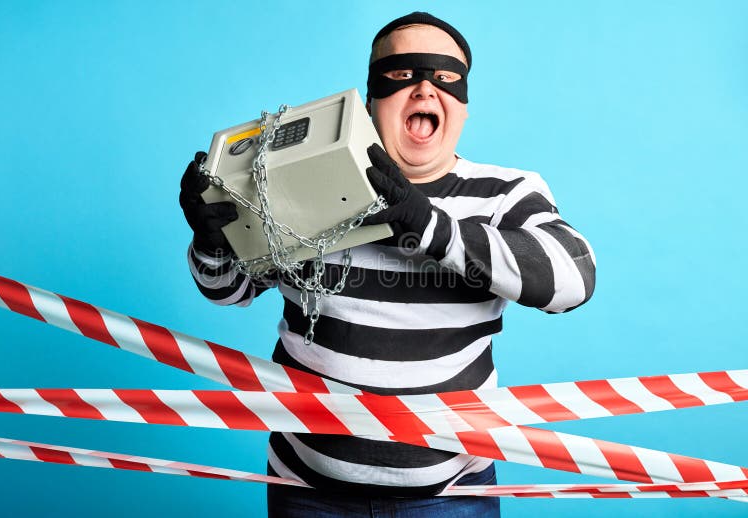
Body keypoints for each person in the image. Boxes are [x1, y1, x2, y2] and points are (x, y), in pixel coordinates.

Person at [179, 11, 596, 518]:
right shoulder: (306, 189)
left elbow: (573, 280)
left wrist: (430, 226)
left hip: (452, 496)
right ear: (371, 100)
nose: (424, 90)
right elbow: (228, 292)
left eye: (444, 78)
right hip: (307, 490)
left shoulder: (504, 194)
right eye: (401, 76)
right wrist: (214, 242)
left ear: (463, 106)